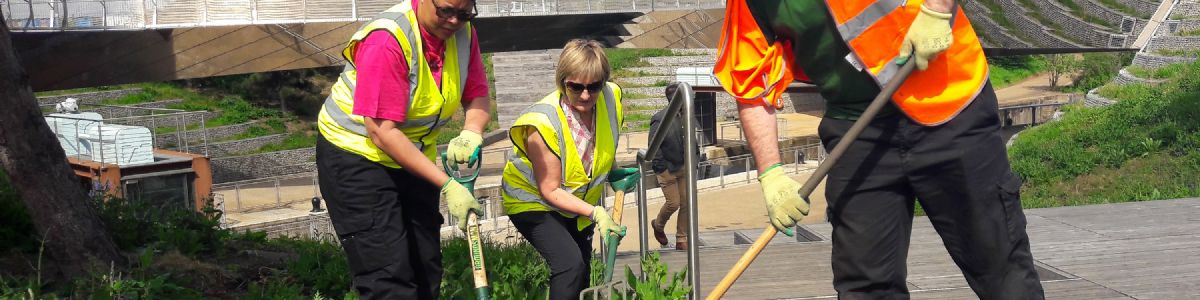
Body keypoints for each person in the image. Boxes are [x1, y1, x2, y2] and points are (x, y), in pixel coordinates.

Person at [714, 0, 1046, 298]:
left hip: (948, 104)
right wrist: (771, 175)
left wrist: (937, 8)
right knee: (865, 286)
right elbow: (750, 84)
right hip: (856, 128)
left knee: (1000, 266)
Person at [314, 0, 489, 298]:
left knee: (426, 268)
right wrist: (448, 185)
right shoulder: (388, 39)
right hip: (357, 156)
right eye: (446, 10)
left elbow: (477, 95)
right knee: (388, 277)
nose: (453, 21)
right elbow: (382, 132)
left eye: (464, 14)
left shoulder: (463, 34)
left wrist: (472, 131)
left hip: (411, 156)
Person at [500, 39, 641, 300]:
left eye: (594, 86)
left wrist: (613, 171)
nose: (586, 95)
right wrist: (596, 212)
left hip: (576, 202)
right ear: (562, 82)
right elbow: (549, 189)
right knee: (569, 265)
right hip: (533, 201)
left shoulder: (612, 98)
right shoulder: (541, 125)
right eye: (576, 87)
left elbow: (597, 145)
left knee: (583, 271)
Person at [648, 85, 702, 251]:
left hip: (684, 166)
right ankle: (658, 225)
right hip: (667, 169)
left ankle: (681, 239)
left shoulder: (686, 116)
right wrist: (661, 168)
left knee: (686, 202)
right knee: (674, 203)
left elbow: (692, 140)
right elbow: (653, 146)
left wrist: (695, 160)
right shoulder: (659, 118)